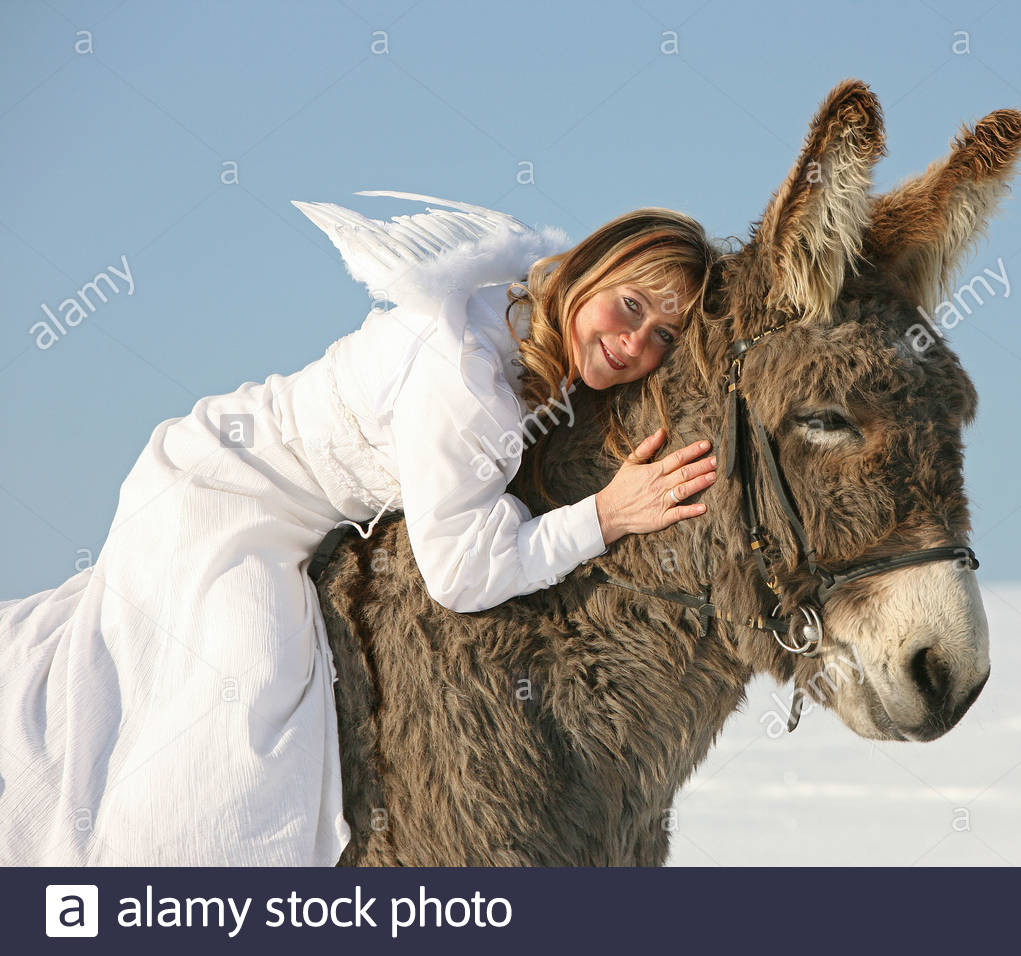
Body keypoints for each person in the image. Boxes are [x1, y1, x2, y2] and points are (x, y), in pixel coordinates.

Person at [0, 192, 728, 866]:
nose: (636, 342)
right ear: (587, 272)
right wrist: (605, 516)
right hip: (226, 491)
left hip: (284, 493)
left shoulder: (527, 325)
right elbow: (462, 575)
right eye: (629, 305)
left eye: (664, 332)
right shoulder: (466, 385)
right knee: (248, 708)